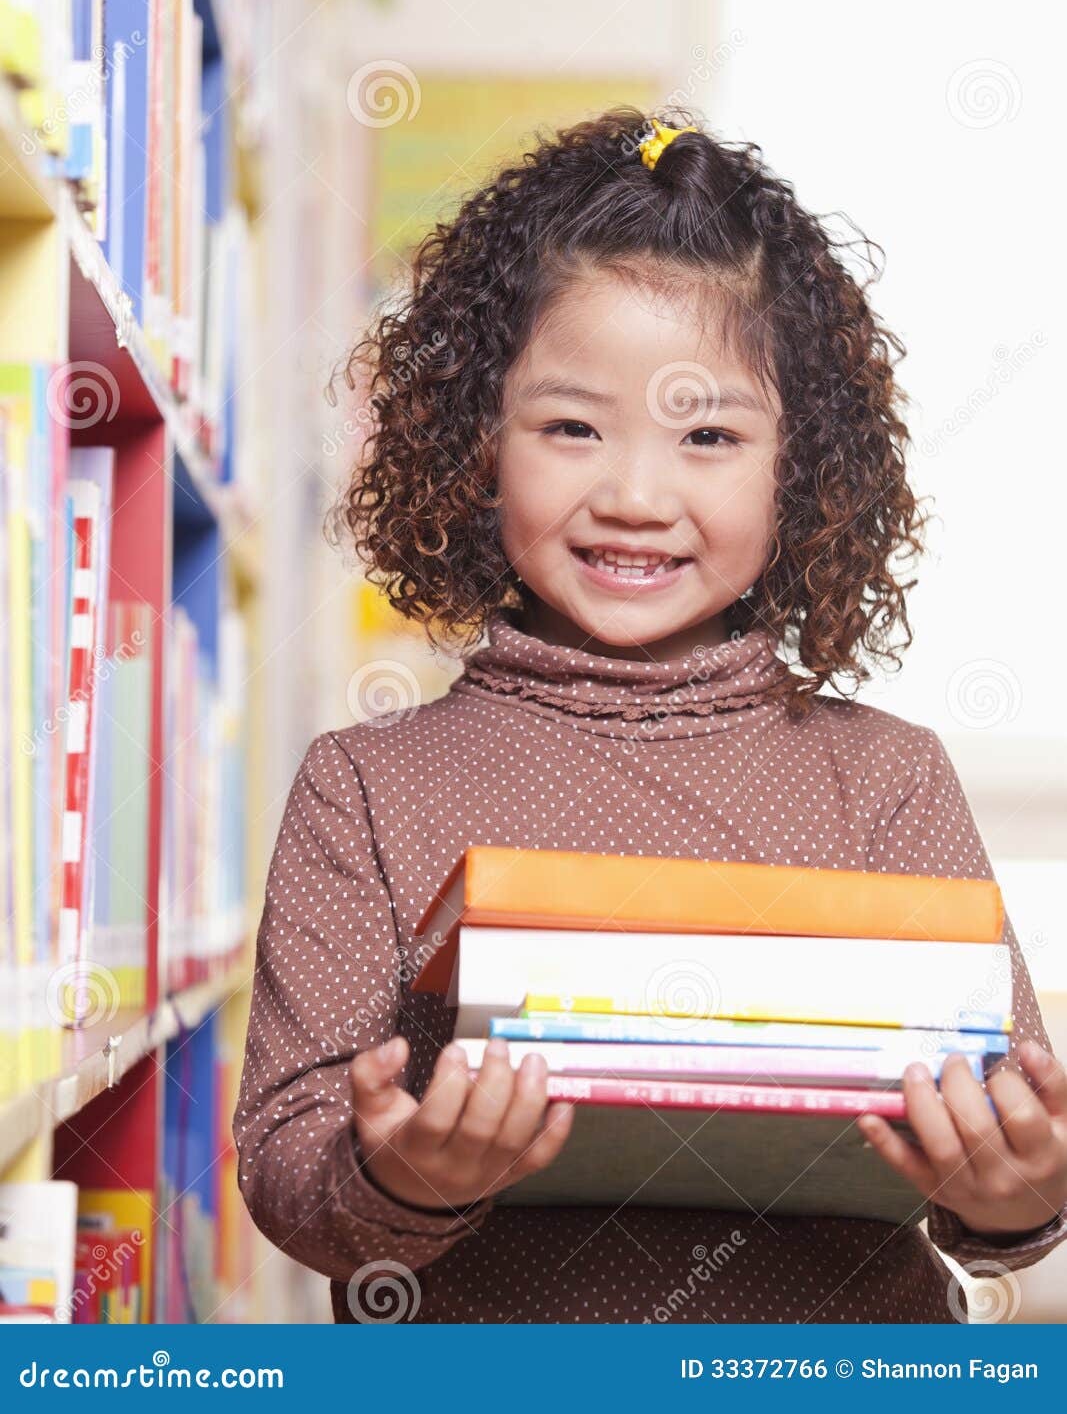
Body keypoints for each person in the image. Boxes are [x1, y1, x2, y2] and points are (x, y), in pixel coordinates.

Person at [233, 109, 1067, 1323]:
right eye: (571, 427)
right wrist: (403, 1174)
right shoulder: (363, 783)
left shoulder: (888, 780)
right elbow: (285, 1164)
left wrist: (1012, 1188)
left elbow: (1000, 1152)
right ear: (478, 444)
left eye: (707, 436)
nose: (633, 493)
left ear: (797, 471)